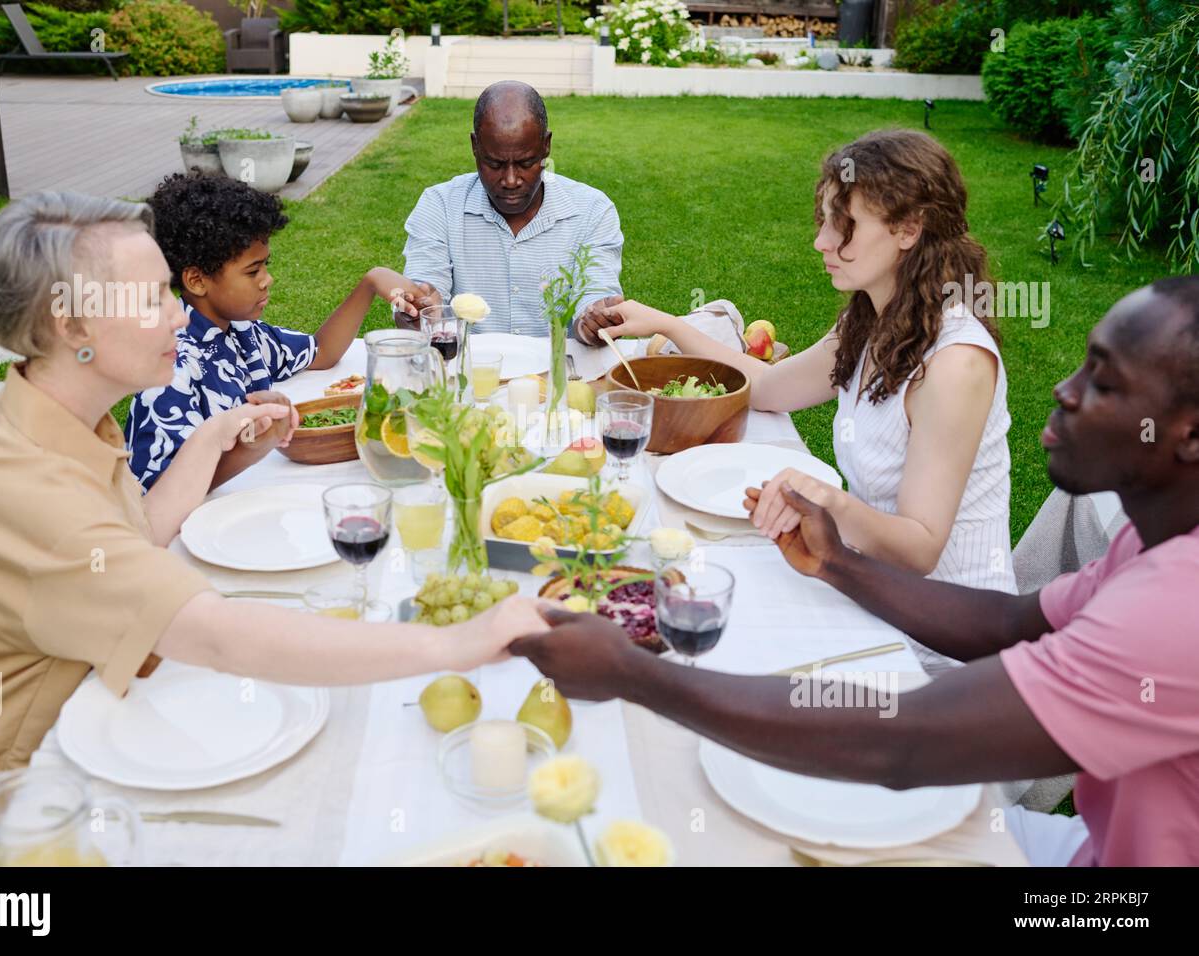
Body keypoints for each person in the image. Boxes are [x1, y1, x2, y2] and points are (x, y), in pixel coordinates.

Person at [0, 193, 548, 860]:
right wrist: (458, 643)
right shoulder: (30, 488)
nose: (179, 313)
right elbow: (212, 637)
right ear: (72, 327)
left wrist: (214, 437)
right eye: (152, 298)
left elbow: (140, 532)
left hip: (85, 712)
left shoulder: (54, 412)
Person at [511, 278, 1199, 867]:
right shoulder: (1155, 540)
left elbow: (904, 739)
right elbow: (1010, 622)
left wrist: (634, 674)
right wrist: (839, 563)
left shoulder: (1174, 609)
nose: (1063, 388)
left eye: (1102, 380)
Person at [596, 130, 1014, 672]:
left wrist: (827, 502)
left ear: (909, 229)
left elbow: (921, 547)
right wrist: (667, 323)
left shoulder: (954, 362)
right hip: (866, 586)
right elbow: (771, 388)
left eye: (844, 226)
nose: (821, 241)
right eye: (823, 221)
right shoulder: (874, 318)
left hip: (942, 640)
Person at [125, 173, 432, 491]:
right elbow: (164, 489)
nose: (267, 279)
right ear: (197, 280)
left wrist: (373, 281)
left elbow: (321, 352)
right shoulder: (169, 367)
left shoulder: (243, 334)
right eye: (252, 270)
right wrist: (256, 443)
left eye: (265, 265)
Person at [396, 80, 627, 345]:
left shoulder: (592, 210)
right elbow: (425, 293)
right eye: (494, 163)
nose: (510, 180)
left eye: (526, 163)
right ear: (475, 147)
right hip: (468, 374)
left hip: (561, 377)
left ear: (546, 145)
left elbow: (595, 299)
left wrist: (594, 322)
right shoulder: (439, 205)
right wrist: (419, 310)